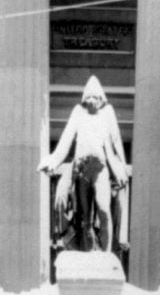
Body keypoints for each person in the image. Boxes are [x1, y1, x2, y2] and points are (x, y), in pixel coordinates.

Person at [38, 76, 128, 253]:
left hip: (99, 168)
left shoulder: (107, 114)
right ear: (84, 99)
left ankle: (106, 254)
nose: (92, 101)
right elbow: (65, 140)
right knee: (84, 217)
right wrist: (53, 161)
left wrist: (121, 167)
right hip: (80, 169)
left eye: (95, 98)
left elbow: (116, 143)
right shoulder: (78, 113)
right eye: (89, 98)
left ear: (101, 99)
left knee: (103, 209)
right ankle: (86, 253)